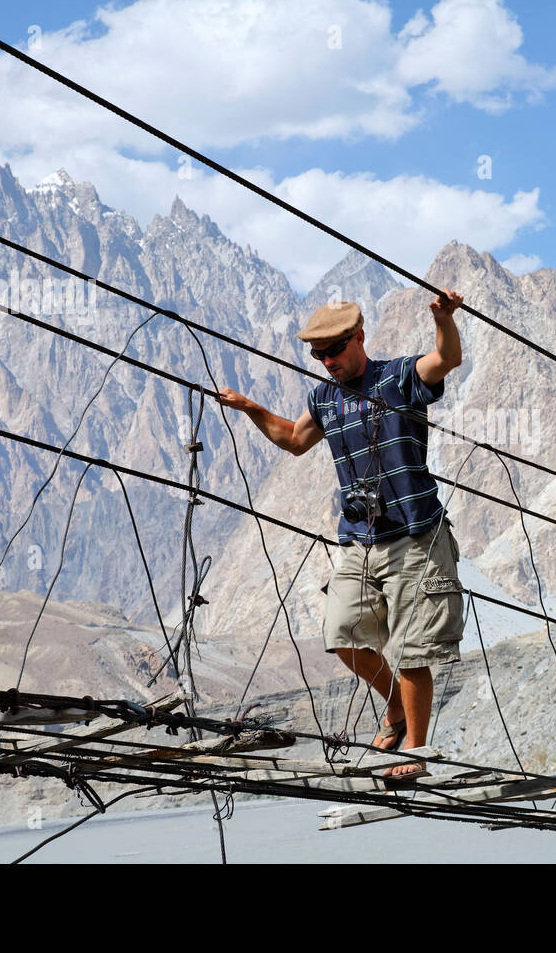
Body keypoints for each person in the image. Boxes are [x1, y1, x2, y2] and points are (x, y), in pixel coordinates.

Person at [217, 290, 466, 779]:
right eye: (319, 355)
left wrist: (442, 319)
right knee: (343, 635)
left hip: (415, 534)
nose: (328, 361)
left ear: (359, 337)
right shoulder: (324, 399)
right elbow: (293, 440)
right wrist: (249, 406)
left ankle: (415, 751)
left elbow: (447, 359)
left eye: (335, 350)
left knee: (413, 647)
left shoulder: (398, 377)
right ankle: (394, 707)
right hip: (358, 537)